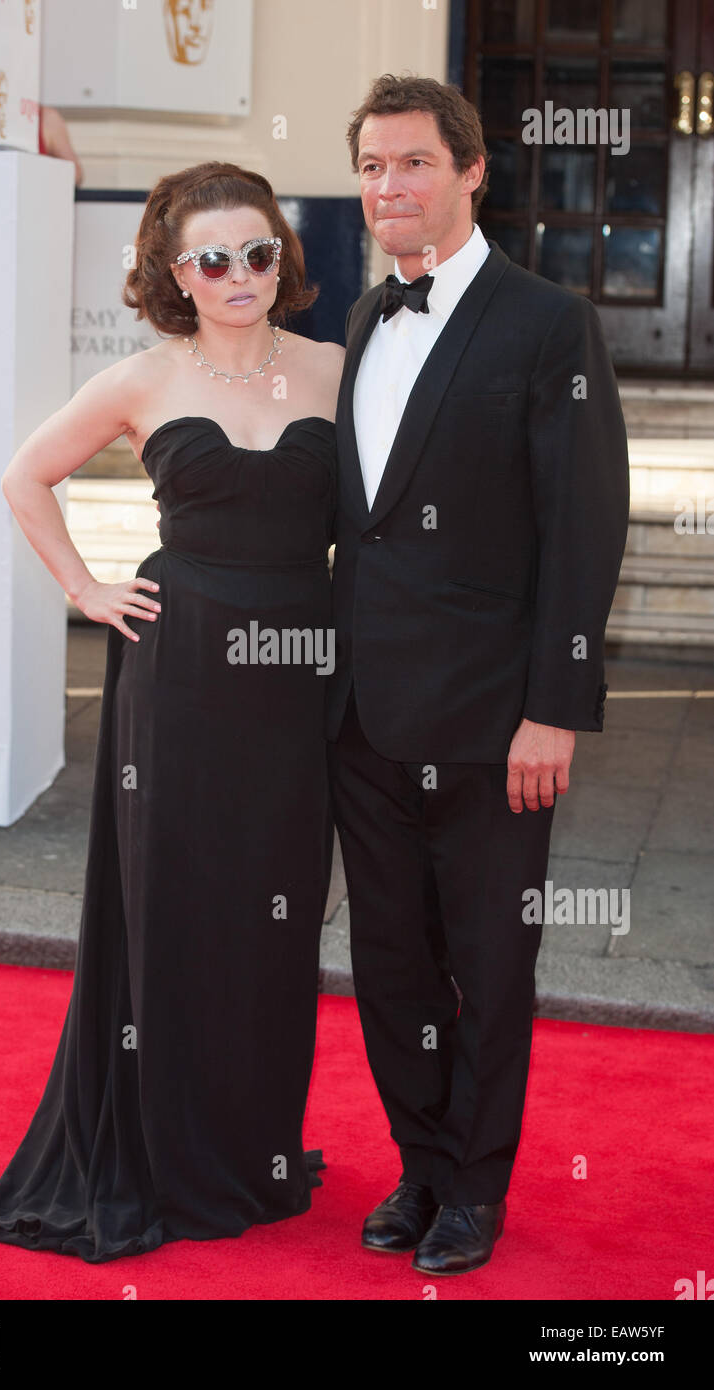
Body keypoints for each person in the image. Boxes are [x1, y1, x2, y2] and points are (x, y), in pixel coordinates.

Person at [0, 162, 344, 1262]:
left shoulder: (334, 371)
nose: (238, 275)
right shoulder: (141, 379)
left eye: (258, 253)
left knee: (273, 912)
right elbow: (25, 475)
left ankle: (249, 1145)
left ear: (283, 258)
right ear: (176, 272)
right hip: (179, 678)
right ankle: (163, 1148)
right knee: (171, 906)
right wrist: (84, 588)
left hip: (295, 677)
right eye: (212, 259)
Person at [326, 75, 629, 1275]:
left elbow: (583, 525)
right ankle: (420, 1164)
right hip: (363, 716)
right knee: (390, 961)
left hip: (494, 718)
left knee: (490, 965)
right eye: (368, 166)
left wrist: (554, 708)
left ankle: (476, 1189)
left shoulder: (547, 322)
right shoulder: (360, 318)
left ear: (469, 172)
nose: (387, 185)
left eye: (410, 162)